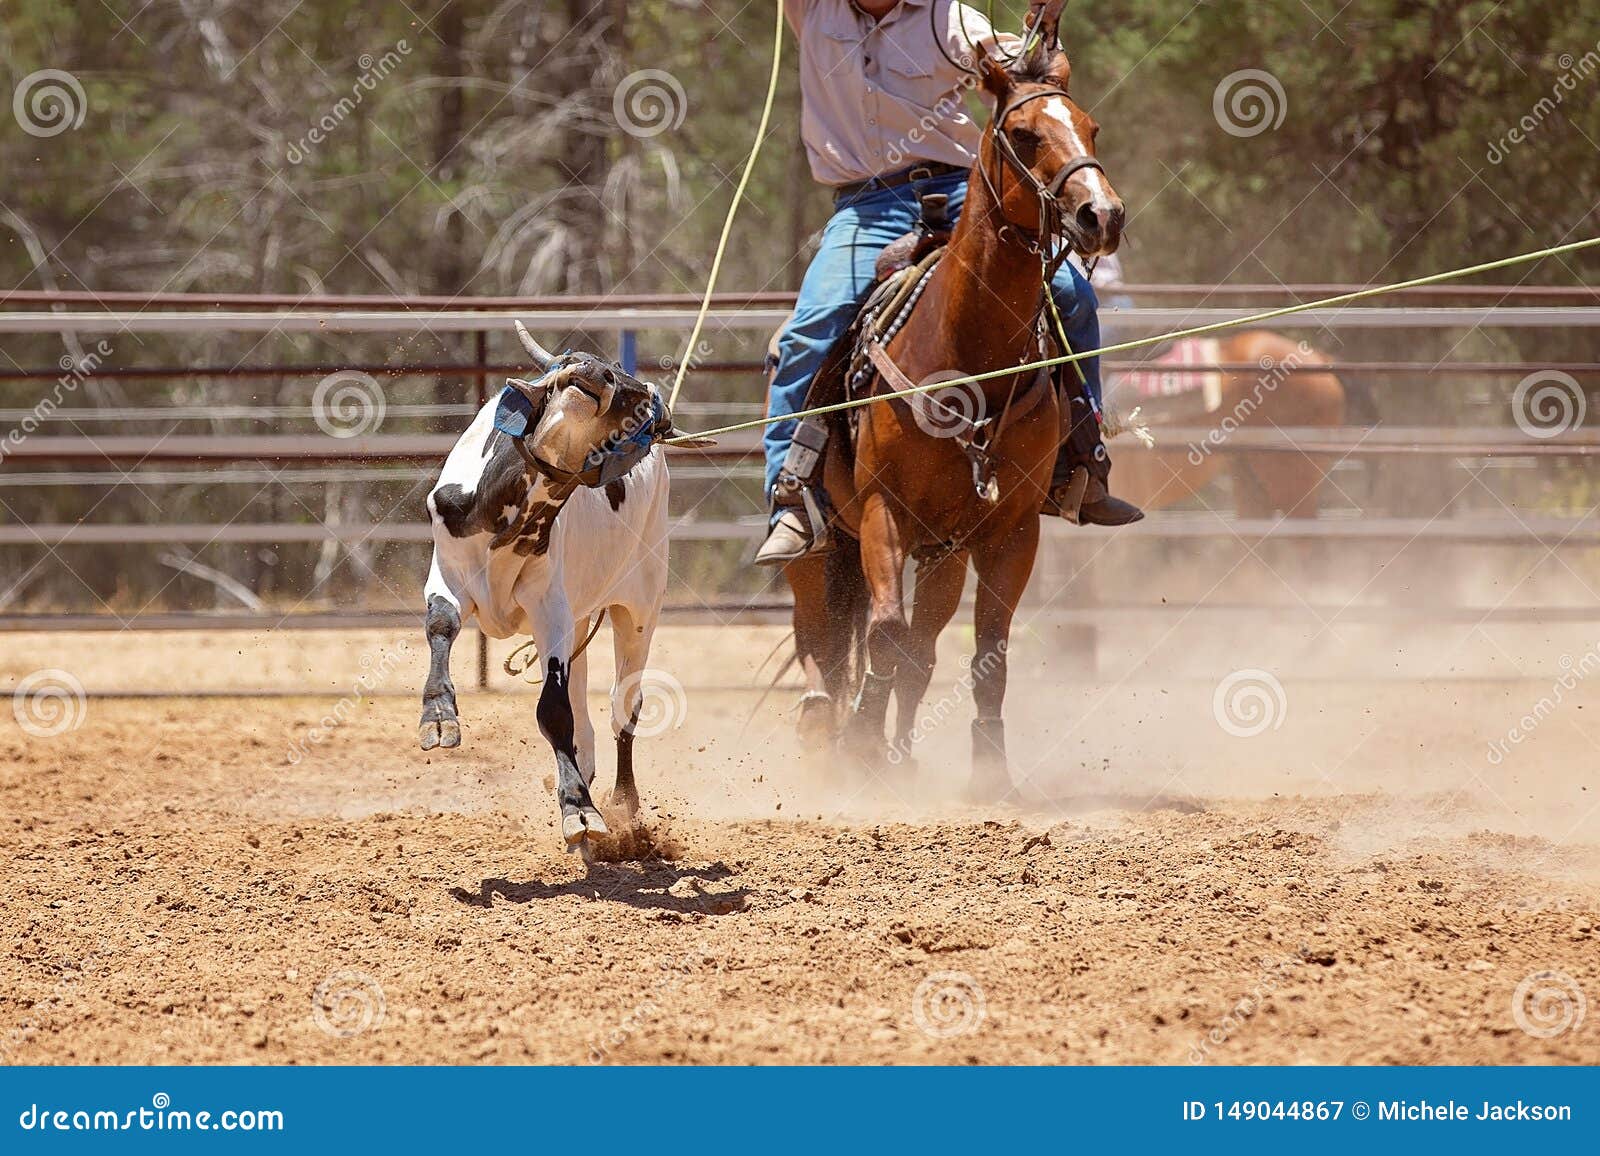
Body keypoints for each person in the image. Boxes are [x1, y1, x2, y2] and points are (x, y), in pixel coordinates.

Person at [756, 0, 1143, 567]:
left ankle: (1082, 462)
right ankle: (791, 498)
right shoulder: (812, 10)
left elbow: (1023, 74)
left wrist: (1046, 24)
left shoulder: (950, 18)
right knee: (811, 331)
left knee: (1072, 296)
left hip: (964, 191)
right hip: (865, 206)